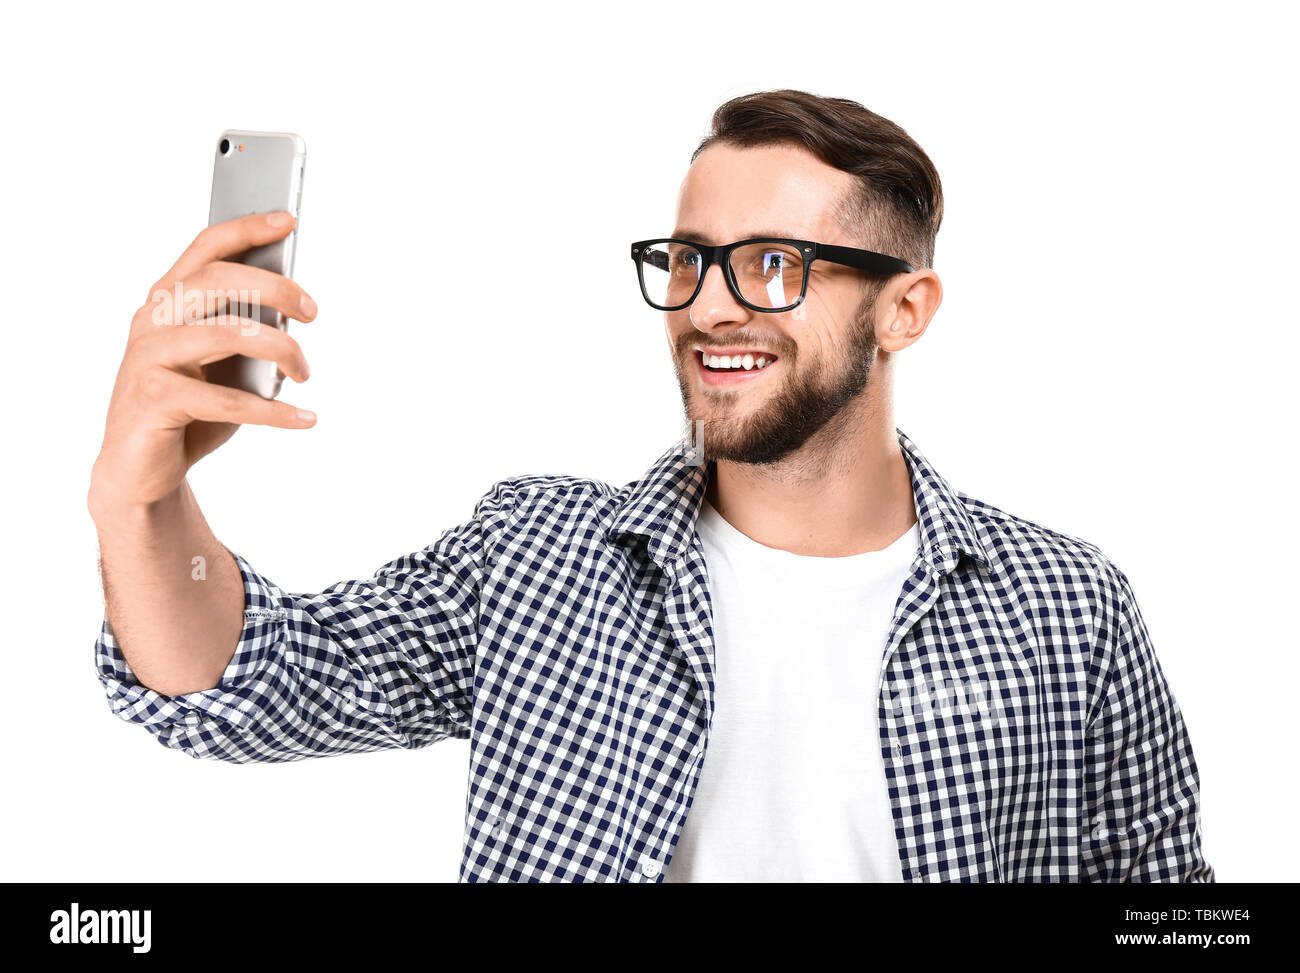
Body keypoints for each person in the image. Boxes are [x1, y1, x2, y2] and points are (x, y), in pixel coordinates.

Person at [88, 89, 1213, 883]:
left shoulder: (1067, 608)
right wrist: (140, 506)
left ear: (902, 310)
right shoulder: (537, 554)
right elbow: (252, 685)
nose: (709, 305)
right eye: (686, 259)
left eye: (773, 264)